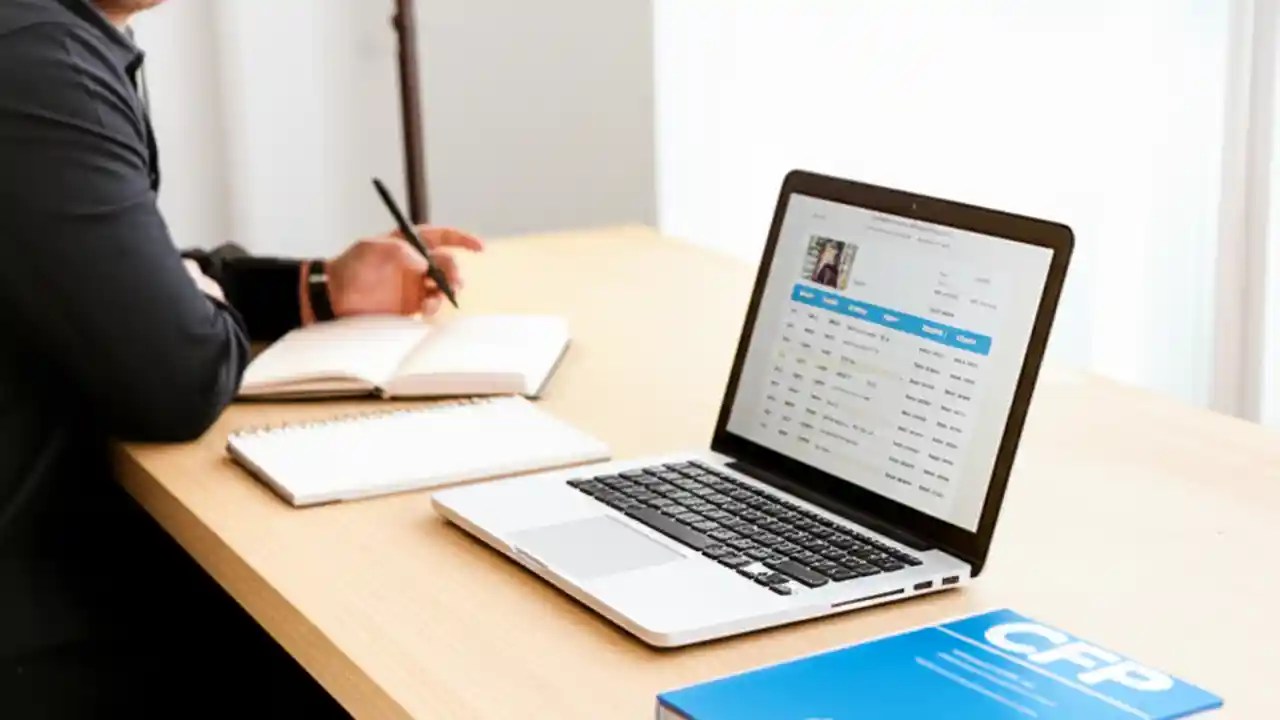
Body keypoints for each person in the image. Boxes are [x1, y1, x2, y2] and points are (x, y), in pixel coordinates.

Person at [0, 0, 483, 716]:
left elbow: (126, 272)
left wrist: (318, 286)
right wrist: (193, 308)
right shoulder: (41, 60)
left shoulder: (62, 36)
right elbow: (175, 379)